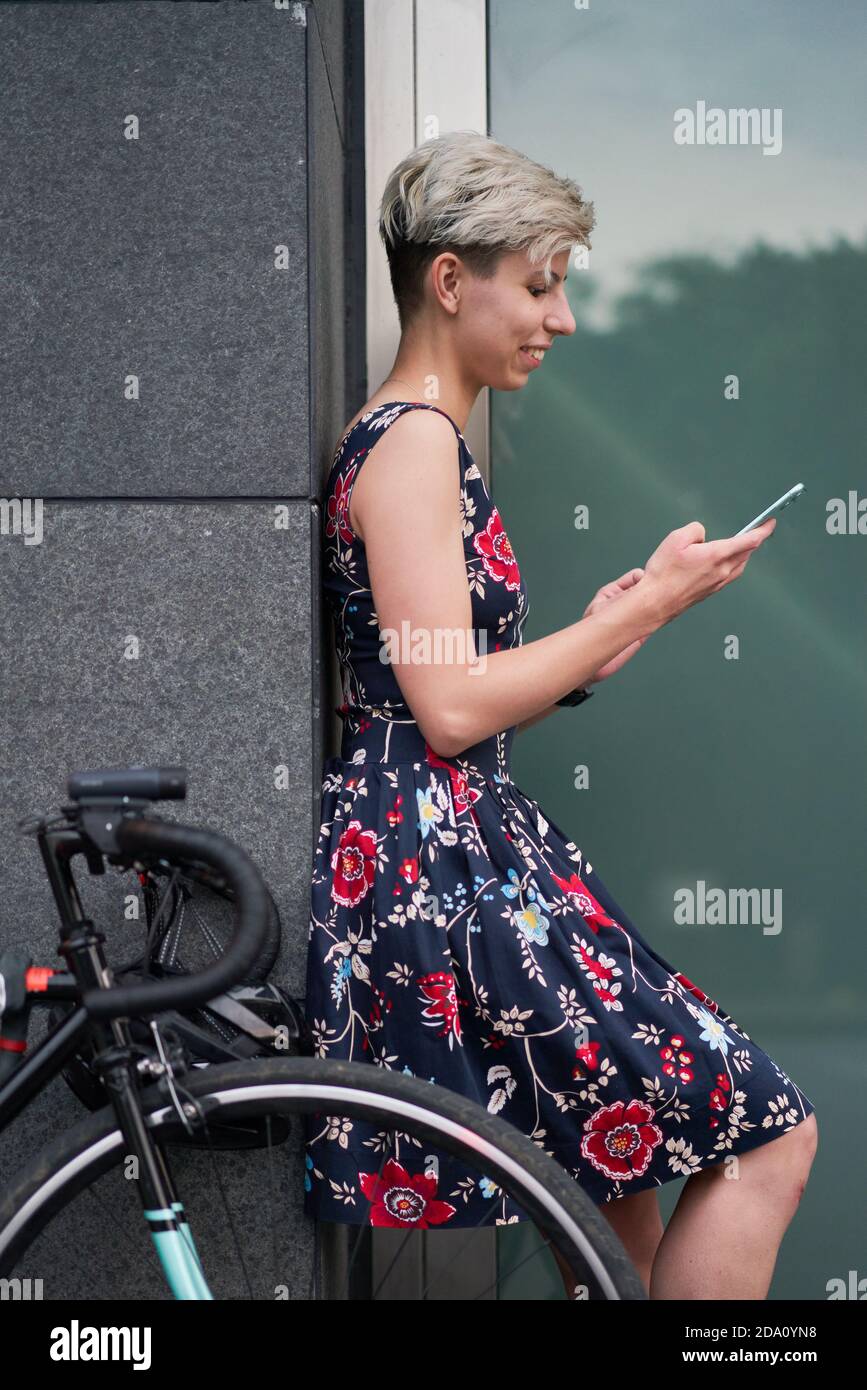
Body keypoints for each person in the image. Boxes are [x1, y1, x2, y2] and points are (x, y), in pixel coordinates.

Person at [303, 130, 817, 1300]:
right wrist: (646, 610)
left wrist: (615, 628)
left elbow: (436, 681)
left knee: (614, 1219)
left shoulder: (412, 441)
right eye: (540, 283)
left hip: (452, 842)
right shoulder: (417, 445)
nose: (564, 317)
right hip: (446, 851)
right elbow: (443, 704)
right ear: (449, 281)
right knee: (772, 1134)